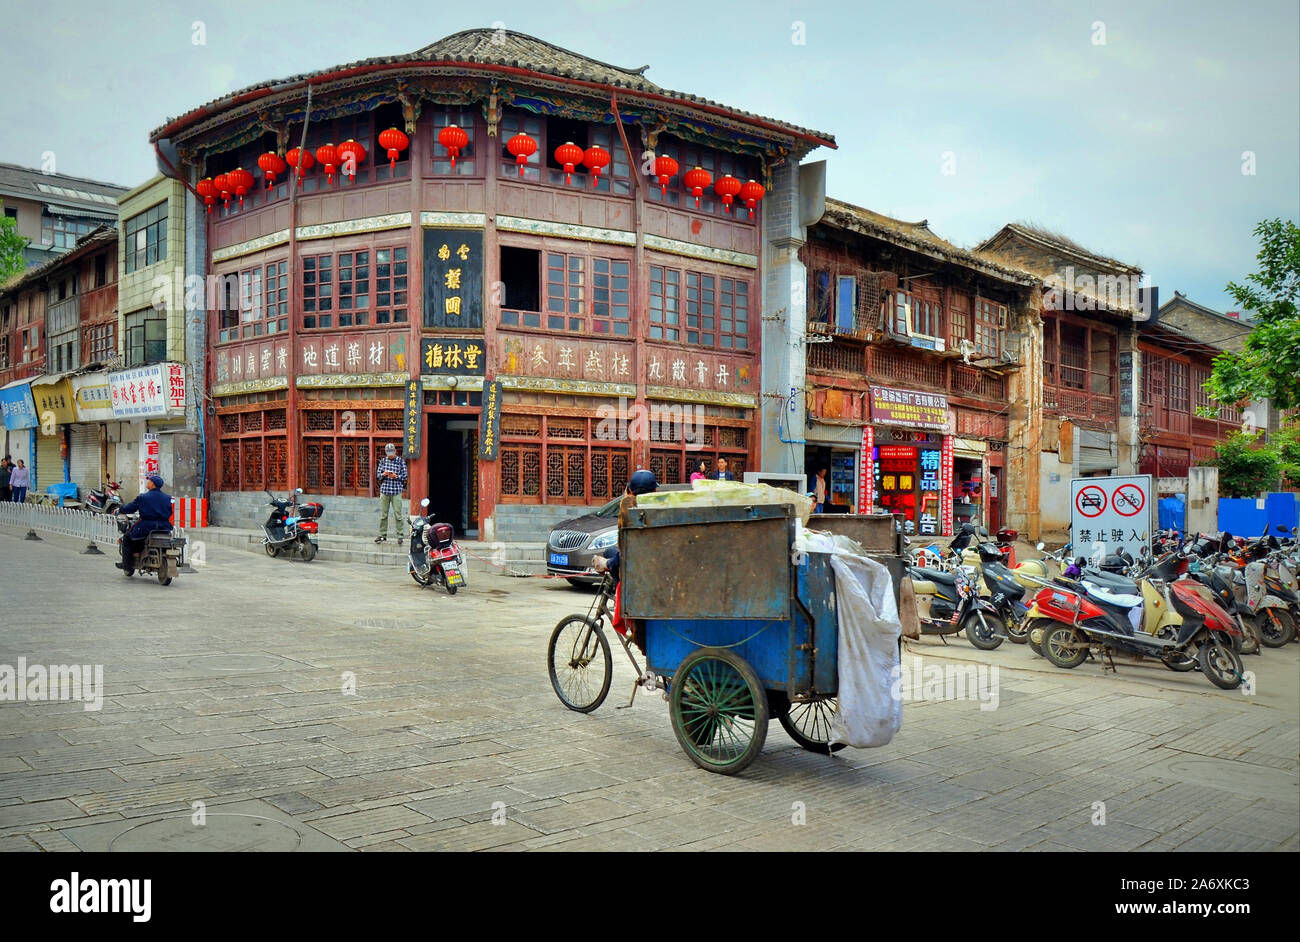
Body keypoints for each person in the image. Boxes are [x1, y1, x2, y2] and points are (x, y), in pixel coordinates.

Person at [115, 473, 173, 573]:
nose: (148, 482)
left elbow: (130, 508)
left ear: (153, 484)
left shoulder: (143, 497)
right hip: (164, 526)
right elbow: (169, 511)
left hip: (146, 526)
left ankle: (127, 565)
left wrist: (120, 510)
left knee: (127, 538)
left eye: (149, 481)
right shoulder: (167, 498)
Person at [374, 442, 409, 543]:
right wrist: (384, 474)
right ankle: (382, 535)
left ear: (395, 451)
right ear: (386, 452)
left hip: (396, 491)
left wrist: (396, 476)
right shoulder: (383, 461)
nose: (390, 454)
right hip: (385, 491)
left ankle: (400, 536)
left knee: (398, 514)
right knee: (383, 515)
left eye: (391, 452)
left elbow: (405, 476)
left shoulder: (400, 461)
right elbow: (378, 476)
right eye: (388, 452)